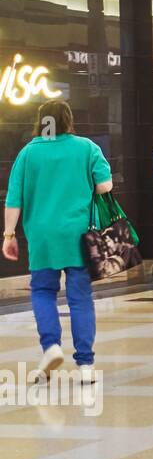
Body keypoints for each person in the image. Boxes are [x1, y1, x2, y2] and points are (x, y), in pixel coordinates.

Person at [3, 100, 113, 383]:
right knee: (79, 298)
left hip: (42, 236)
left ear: (41, 121)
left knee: (42, 290)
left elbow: (14, 199)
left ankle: (51, 346)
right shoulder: (87, 147)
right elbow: (104, 186)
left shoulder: (28, 153)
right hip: (78, 234)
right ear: (69, 120)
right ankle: (85, 364)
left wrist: (9, 235)